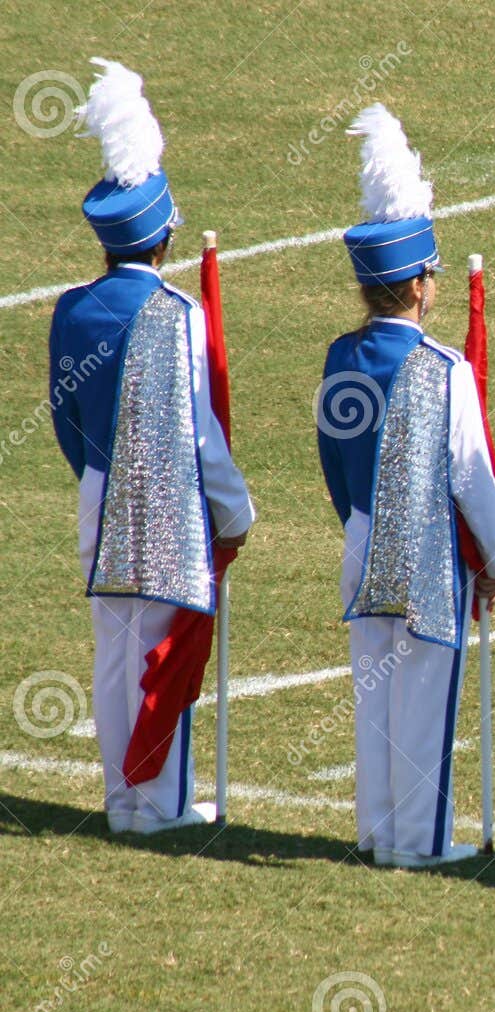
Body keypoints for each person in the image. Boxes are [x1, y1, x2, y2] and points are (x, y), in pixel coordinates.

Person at [49, 59, 253, 834]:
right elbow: (199, 432)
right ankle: (160, 802)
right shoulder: (179, 313)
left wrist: (98, 473)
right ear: (163, 232)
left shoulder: (73, 308)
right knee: (166, 652)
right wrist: (235, 509)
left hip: (100, 489)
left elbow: (66, 416)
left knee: (113, 649)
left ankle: (120, 796)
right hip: (168, 499)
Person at [317, 104, 495, 869]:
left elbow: (333, 457)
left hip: (364, 543)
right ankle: (421, 843)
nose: (436, 281)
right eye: (429, 272)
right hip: (431, 558)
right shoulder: (443, 369)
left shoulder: (341, 355)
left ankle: (376, 831)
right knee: (426, 697)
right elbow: (470, 475)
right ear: (415, 284)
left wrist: (361, 522)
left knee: (376, 698)